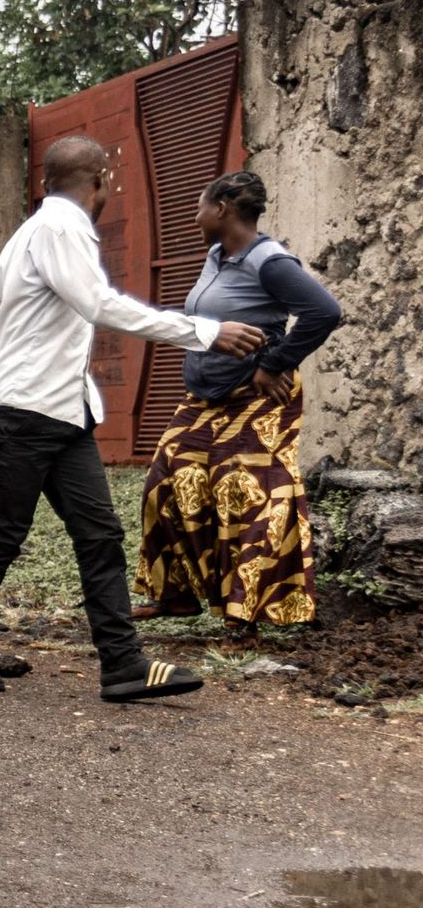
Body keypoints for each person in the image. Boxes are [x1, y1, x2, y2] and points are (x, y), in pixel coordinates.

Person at [0, 135, 265, 700]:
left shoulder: (28, 232)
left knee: (99, 535)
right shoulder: (61, 228)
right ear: (101, 180)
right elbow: (99, 304)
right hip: (21, 412)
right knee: (5, 532)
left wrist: (26, 347)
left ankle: (122, 665)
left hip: (63, 412)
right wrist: (207, 333)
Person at [135, 171, 341, 642]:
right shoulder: (217, 256)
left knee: (243, 492)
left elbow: (324, 312)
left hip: (257, 397)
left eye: (200, 206)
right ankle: (177, 594)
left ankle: (245, 614)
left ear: (222, 209)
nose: (195, 215)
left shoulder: (268, 260)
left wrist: (274, 362)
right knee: (167, 479)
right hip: (206, 398)